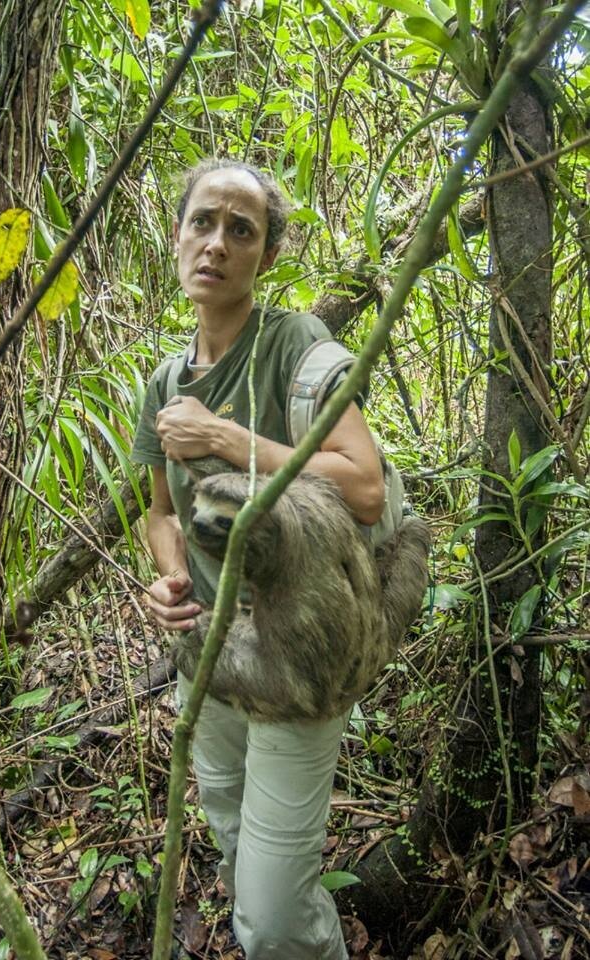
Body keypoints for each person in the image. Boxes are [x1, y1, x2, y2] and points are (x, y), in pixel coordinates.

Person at [131, 158, 384, 959]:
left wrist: (224, 439)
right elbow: (158, 512)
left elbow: (365, 487)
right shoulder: (168, 379)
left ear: (265, 256)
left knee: (270, 919)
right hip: (206, 653)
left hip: (292, 651)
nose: (216, 244)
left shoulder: (292, 345)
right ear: (176, 234)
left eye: (241, 230)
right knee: (237, 840)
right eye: (202, 221)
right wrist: (166, 575)